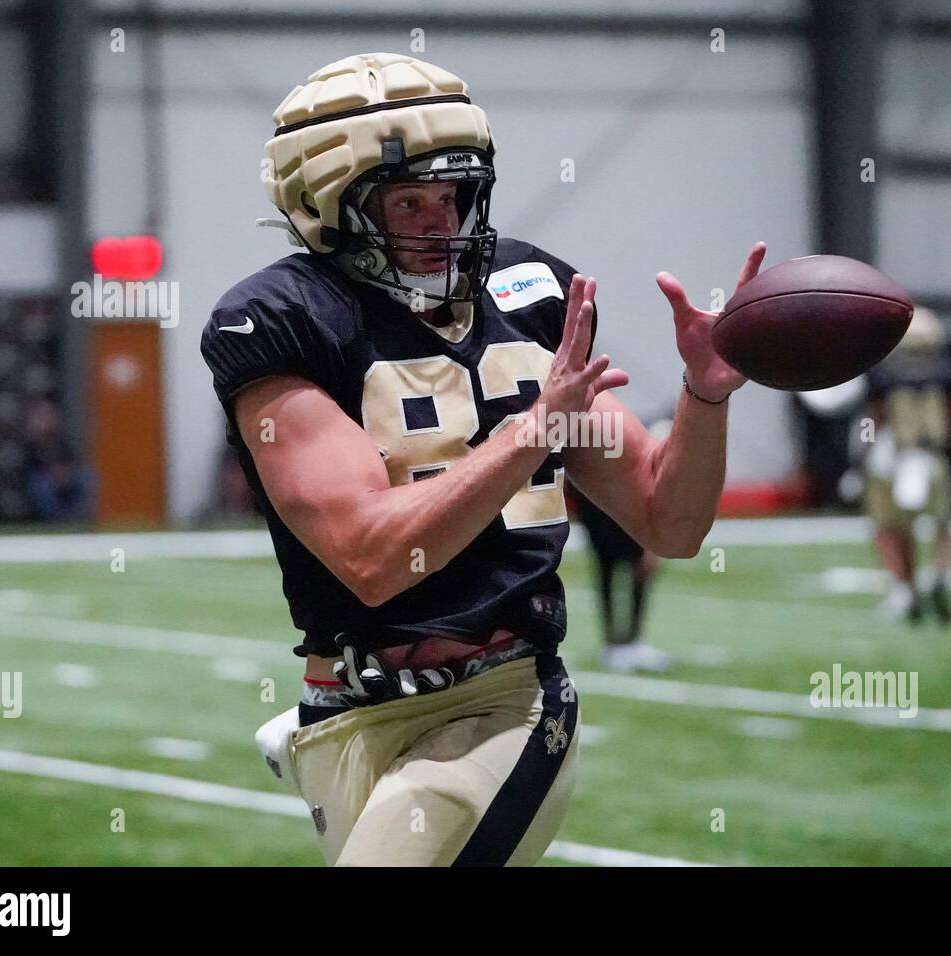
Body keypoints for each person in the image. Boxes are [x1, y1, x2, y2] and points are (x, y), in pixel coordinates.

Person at [200, 53, 765, 866]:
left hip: (499, 703)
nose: (441, 222)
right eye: (408, 199)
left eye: (453, 196)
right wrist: (534, 430)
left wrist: (705, 396)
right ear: (328, 204)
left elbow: (667, 521)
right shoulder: (282, 320)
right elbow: (371, 555)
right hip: (341, 708)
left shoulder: (530, 294)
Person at [862, 307, 951, 624]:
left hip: (897, 458)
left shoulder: (884, 374)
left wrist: (862, 458)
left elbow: (875, 420)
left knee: (892, 526)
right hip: (934, 457)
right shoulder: (946, 372)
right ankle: (940, 575)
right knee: (943, 524)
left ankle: (905, 589)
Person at [566, 471, 669, 674]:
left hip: (625, 507)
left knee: (639, 571)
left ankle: (633, 641)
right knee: (608, 571)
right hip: (602, 510)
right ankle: (613, 644)